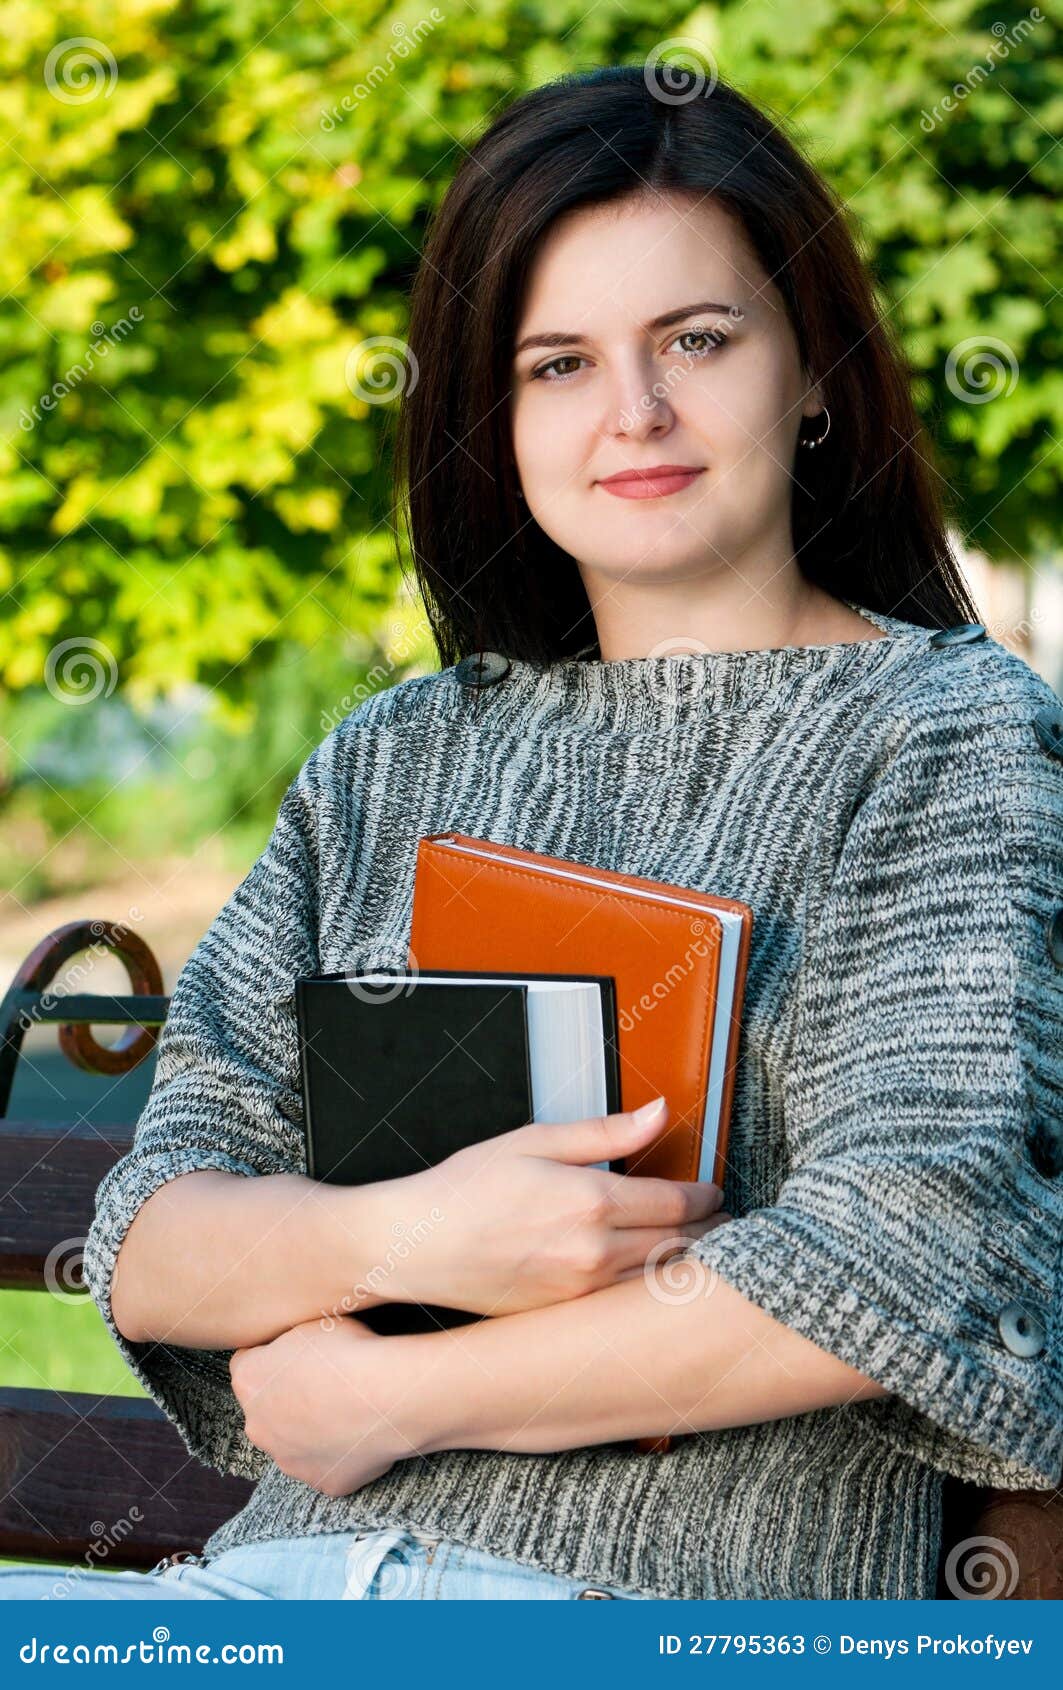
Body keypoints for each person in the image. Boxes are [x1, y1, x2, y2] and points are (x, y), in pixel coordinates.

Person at [3, 62, 1059, 1604]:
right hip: (270, 1598)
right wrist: (417, 1233)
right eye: (555, 363)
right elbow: (157, 1229)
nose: (633, 412)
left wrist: (394, 1394)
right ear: (493, 418)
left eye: (697, 339)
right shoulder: (392, 758)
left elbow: (902, 1261)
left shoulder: (950, 740)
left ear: (815, 368)